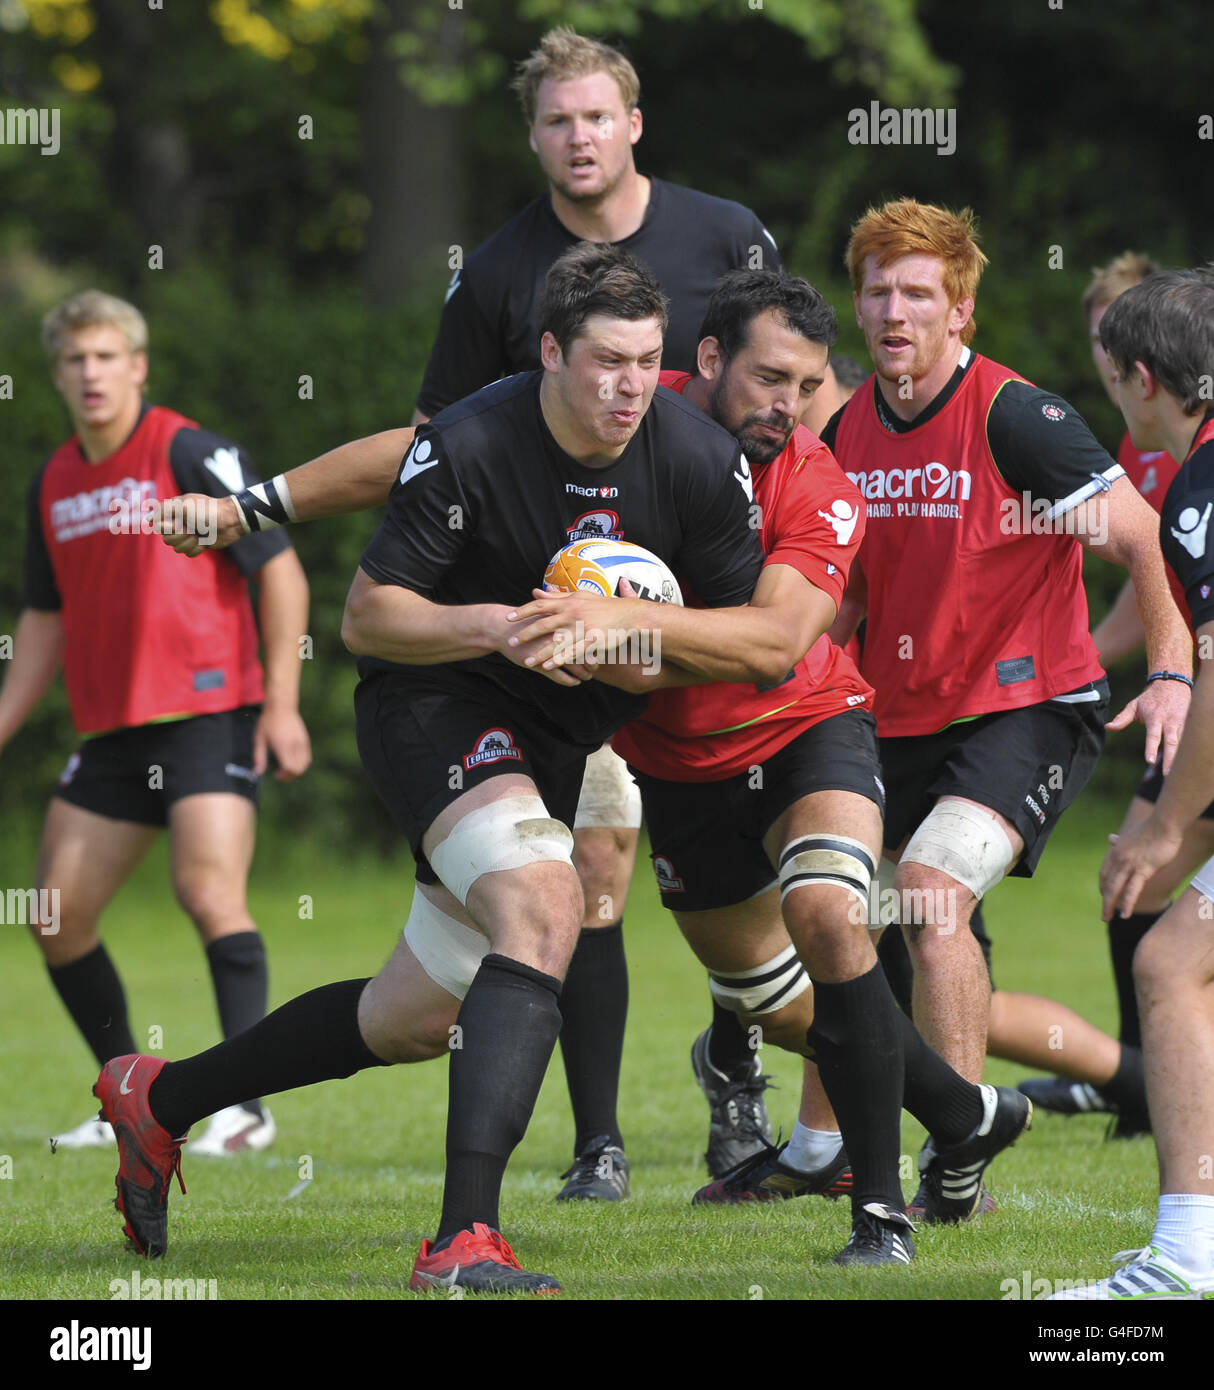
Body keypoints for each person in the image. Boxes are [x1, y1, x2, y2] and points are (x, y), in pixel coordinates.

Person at [95, 244, 808, 1295]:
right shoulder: (472, 441)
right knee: (543, 905)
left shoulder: (698, 461)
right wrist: (506, 626)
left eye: (645, 361)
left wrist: (634, 629)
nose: (626, 388)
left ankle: (156, 1098)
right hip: (436, 701)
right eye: (605, 360)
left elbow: (755, 634)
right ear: (550, 350)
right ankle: (461, 1240)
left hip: (557, 739)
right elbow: (367, 615)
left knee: (416, 1013)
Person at [510, 267, 1033, 1261]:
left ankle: (877, 1212)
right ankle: (963, 1110)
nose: (787, 409)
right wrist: (269, 502)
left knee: (833, 916)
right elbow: (446, 452)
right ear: (704, 362)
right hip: (674, 764)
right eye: (767, 380)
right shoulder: (627, 418)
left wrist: (618, 619)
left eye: (803, 387)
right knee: (774, 1003)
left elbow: (776, 643)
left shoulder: (815, 480)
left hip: (805, 726)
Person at [411, 25, 817, 1190]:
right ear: (531, 135)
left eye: (596, 116)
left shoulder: (724, 230)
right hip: (562, 628)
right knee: (589, 865)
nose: (578, 137)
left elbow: (796, 377)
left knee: (729, 852)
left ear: (633, 121)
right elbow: (439, 440)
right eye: (555, 121)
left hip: (704, 611)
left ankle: (734, 1081)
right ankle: (599, 1140)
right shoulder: (494, 270)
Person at [821, 199, 1192, 1214]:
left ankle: (952, 1165)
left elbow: (1141, 534)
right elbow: (844, 591)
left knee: (929, 892)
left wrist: (1168, 672)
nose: (895, 311)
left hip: (1024, 707)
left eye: (918, 293)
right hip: (891, 718)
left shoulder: (1013, 418)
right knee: (858, 926)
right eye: (878, 291)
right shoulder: (843, 430)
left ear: (961, 312)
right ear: (855, 304)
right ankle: (838, 1144)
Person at [1, 290, 311, 1157]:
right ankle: (128, 1095)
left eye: (107, 357)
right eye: (75, 360)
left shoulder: (186, 448)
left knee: (207, 890)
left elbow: (277, 568)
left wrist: (281, 704)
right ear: (58, 375)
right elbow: (44, 618)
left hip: (208, 711)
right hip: (112, 731)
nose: (91, 373)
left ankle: (245, 1107)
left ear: (136, 366)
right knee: (56, 915)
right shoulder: (54, 481)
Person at [1021, 252, 1214, 1137]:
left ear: (1142, 378)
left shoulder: (1197, 489)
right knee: (1171, 956)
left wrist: (1167, 826)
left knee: (1168, 961)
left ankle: (1183, 1247)